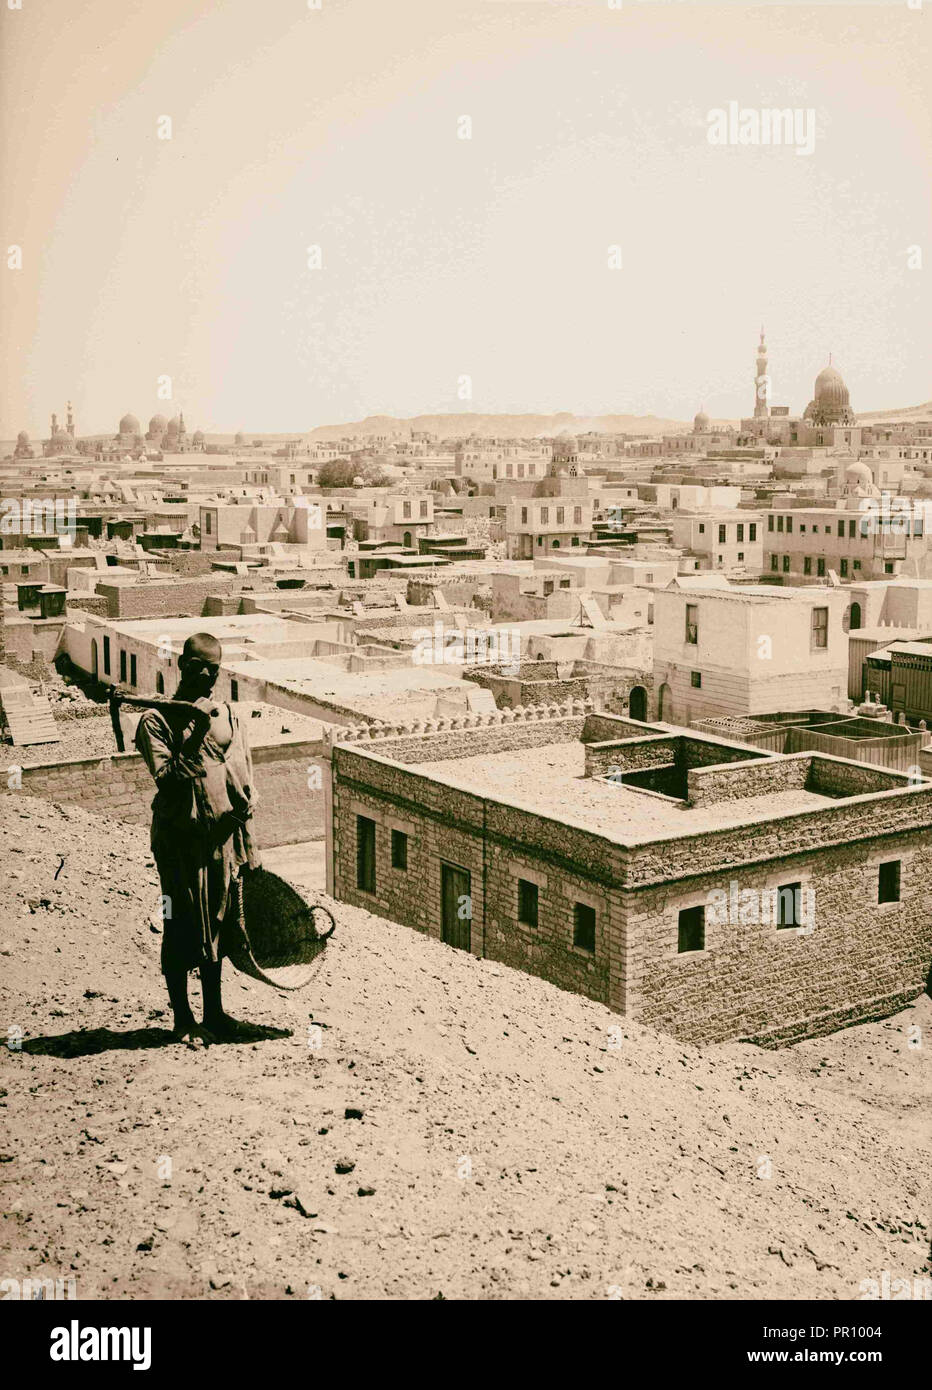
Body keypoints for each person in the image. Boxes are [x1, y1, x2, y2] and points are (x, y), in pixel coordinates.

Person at [134, 633, 260, 1045]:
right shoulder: (157, 719)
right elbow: (168, 780)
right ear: (181, 665)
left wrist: (248, 838)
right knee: (179, 921)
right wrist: (195, 728)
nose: (205, 675)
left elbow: (242, 773)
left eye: (213, 669)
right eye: (197, 667)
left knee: (218, 923)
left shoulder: (228, 713)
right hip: (178, 840)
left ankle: (215, 1014)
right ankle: (183, 1019)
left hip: (221, 839)